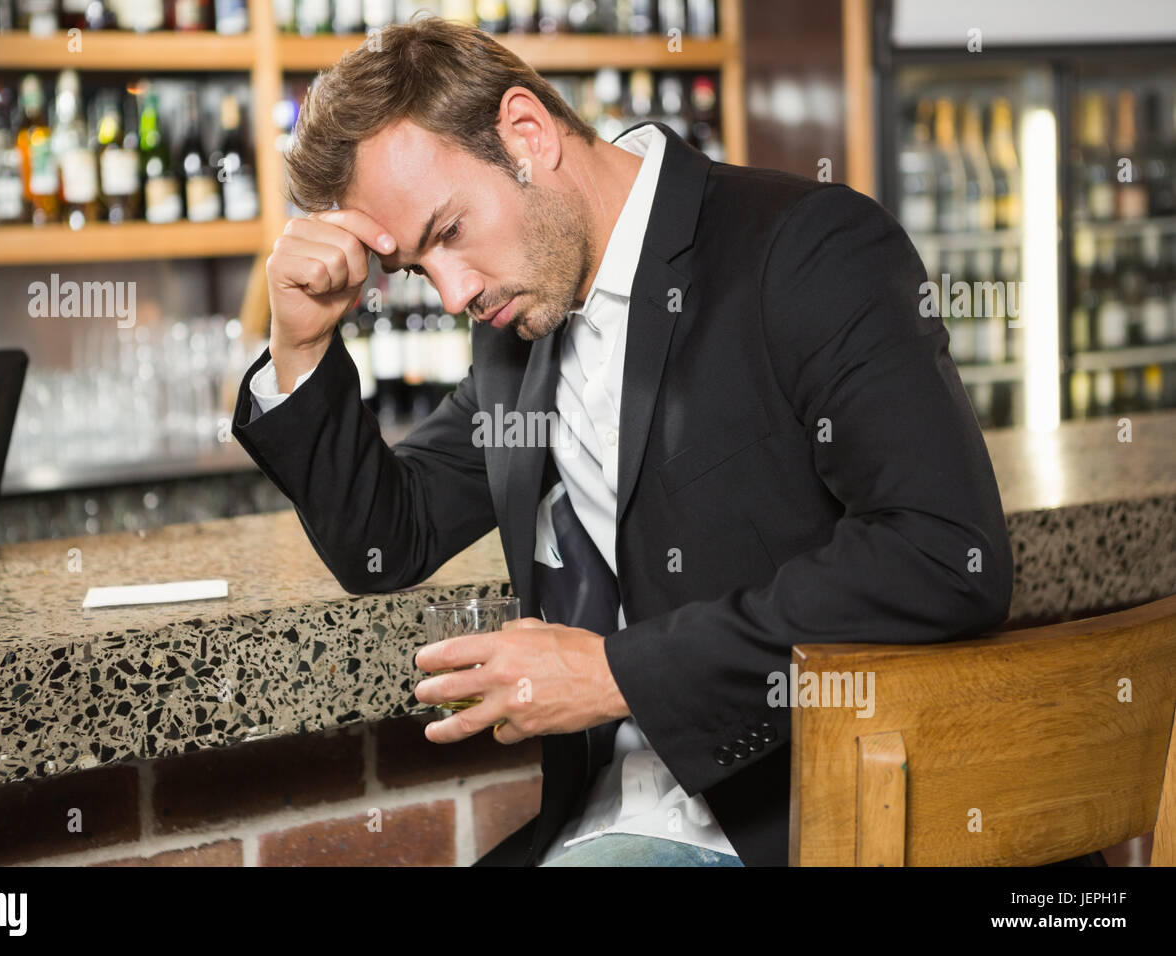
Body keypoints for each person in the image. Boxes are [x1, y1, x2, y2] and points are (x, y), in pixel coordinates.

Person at [231, 14, 1016, 867]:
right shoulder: (517, 325)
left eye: (449, 232)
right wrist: (300, 344)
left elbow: (942, 554)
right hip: (603, 818)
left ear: (527, 134)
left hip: (798, 823)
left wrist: (615, 674)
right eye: (420, 268)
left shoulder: (804, 247)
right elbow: (388, 539)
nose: (452, 292)